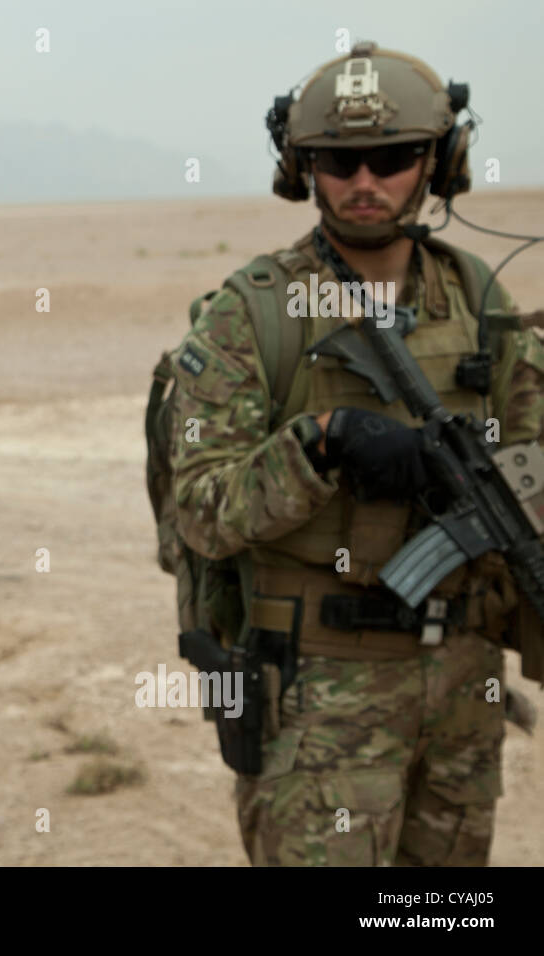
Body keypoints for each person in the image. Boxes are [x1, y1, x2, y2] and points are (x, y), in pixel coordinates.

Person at [170, 42, 544, 865]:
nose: (364, 182)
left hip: (463, 692)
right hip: (318, 698)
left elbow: (534, 455)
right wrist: (323, 444)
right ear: (302, 166)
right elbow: (199, 509)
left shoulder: (479, 295)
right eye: (340, 160)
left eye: (392, 157)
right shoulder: (253, 313)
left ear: (438, 162)